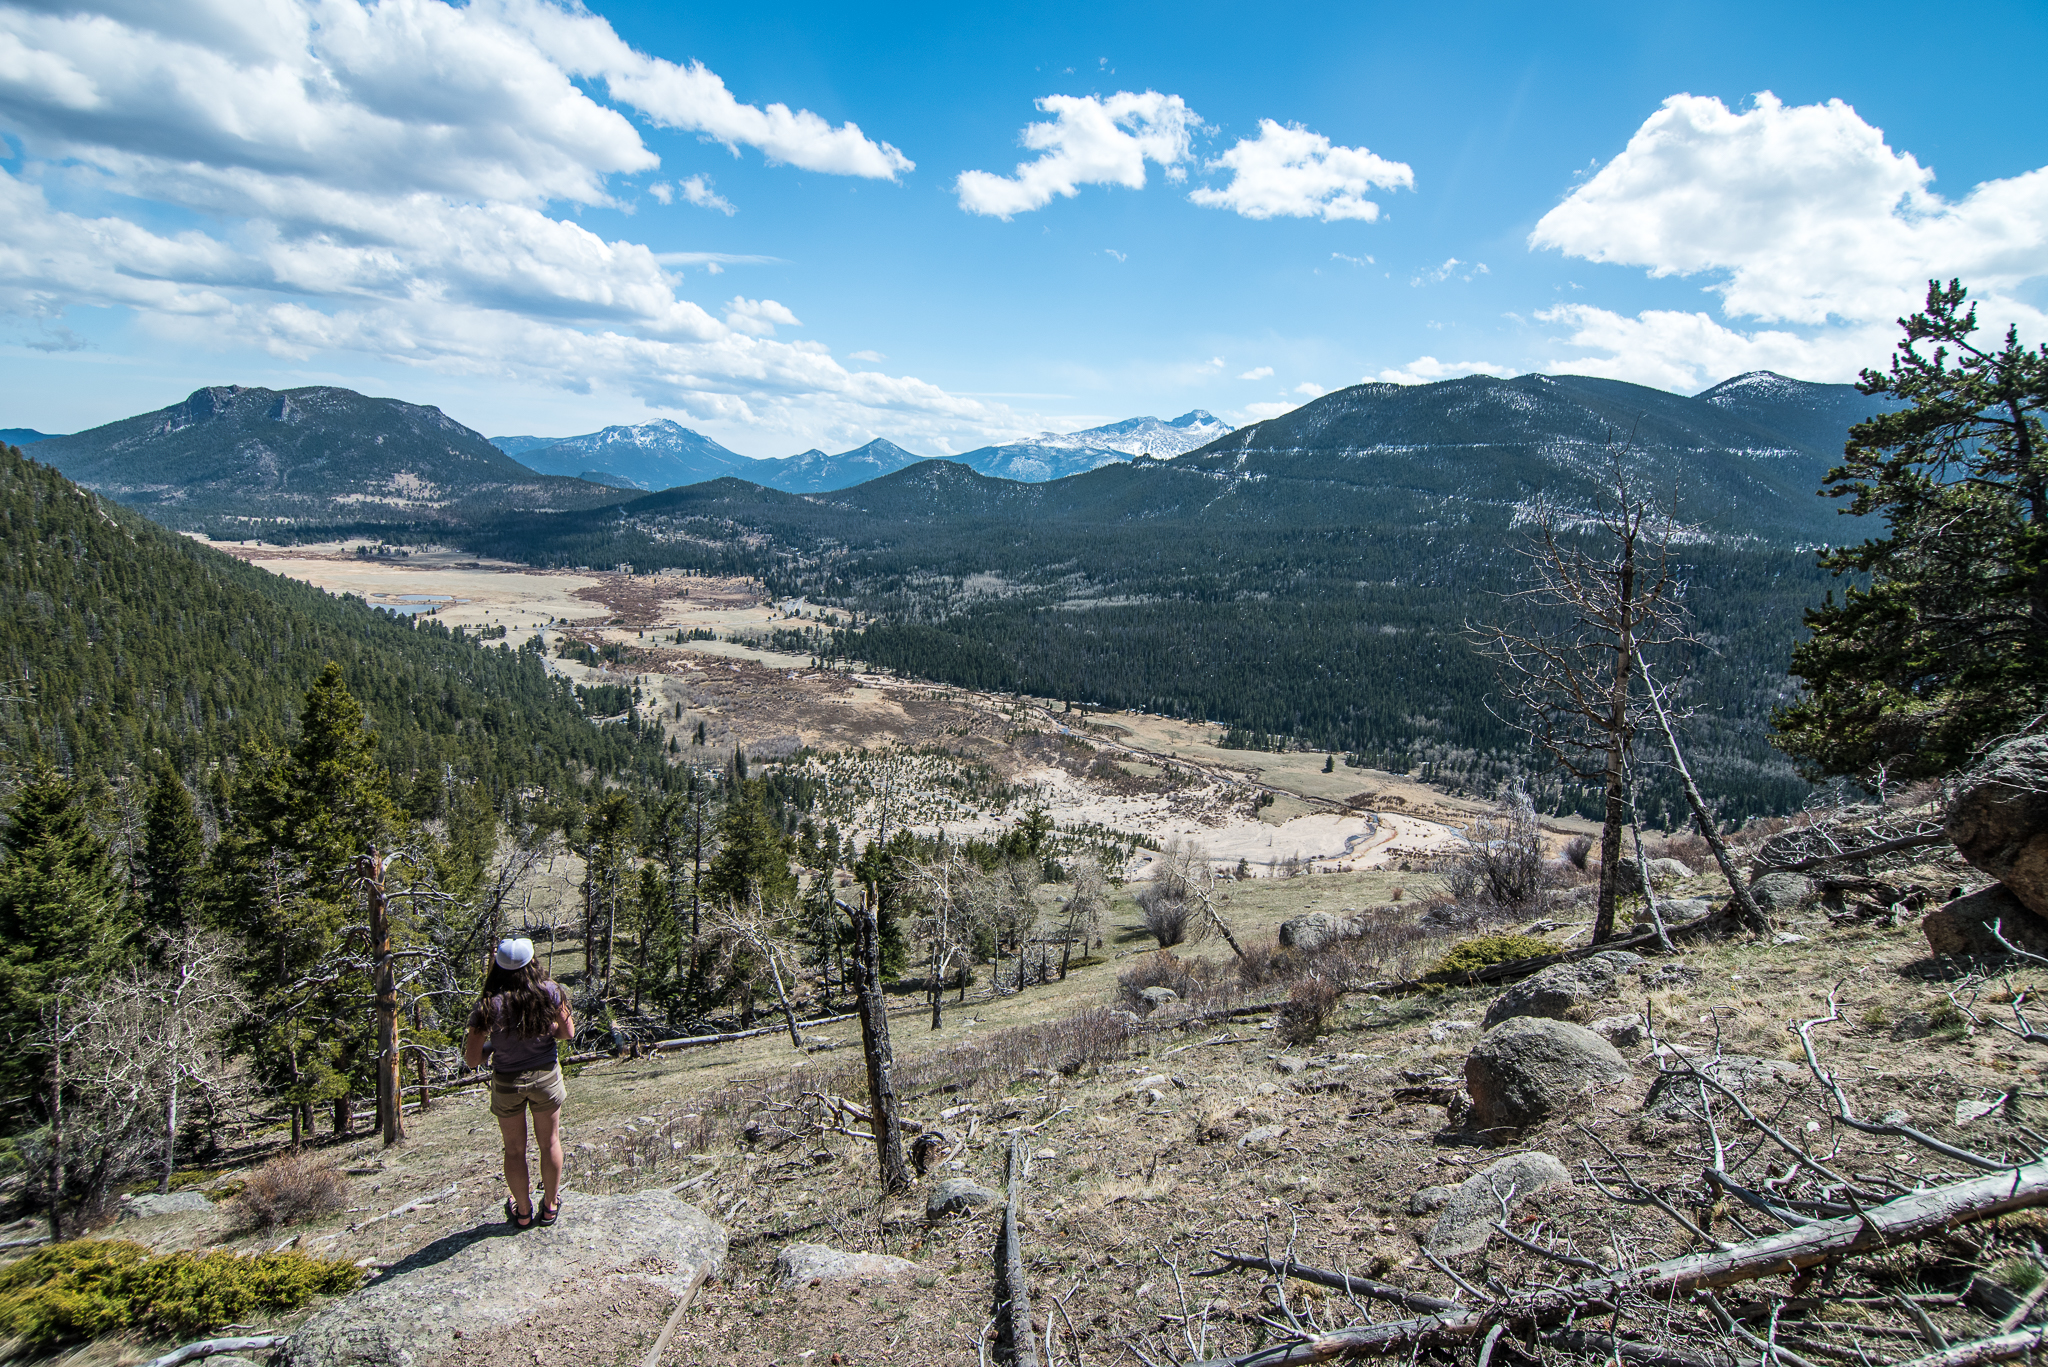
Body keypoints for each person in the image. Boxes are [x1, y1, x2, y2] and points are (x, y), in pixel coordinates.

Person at [464, 938, 574, 1228]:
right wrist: (545, 1029)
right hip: (545, 1078)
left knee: (514, 1150)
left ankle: (523, 1212)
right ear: (531, 963)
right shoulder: (550, 991)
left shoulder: (488, 1004)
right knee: (550, 1142)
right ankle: (550, 1206)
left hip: (507, 1083)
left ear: (498, 967)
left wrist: (494, 1047)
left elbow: (472, 1059)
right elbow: (567, 1033)